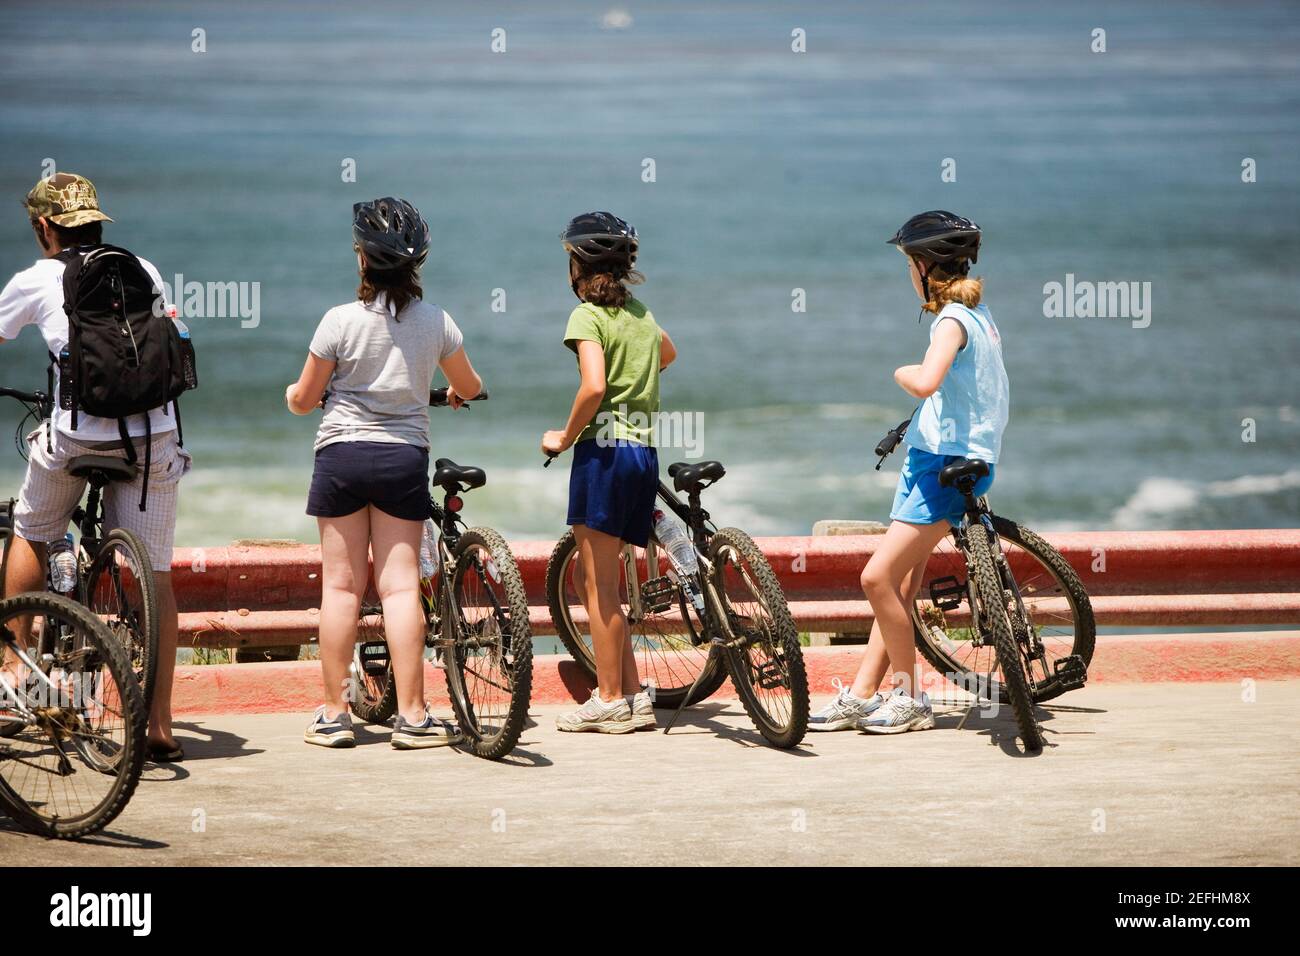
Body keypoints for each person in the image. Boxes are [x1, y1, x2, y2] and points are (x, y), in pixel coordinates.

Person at [0, 173, 191, 761]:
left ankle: (11, 673)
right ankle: (158, 727)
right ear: (96, 222)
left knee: (33, 525)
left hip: (78, 436)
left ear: (43, 227)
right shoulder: (145, 269)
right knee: (155, 570)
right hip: (153, 436)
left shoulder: (36, 279)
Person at [287, 197, 482, 750]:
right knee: (399, 590)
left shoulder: (338, 321)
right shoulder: (437, 322)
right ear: (415, 265)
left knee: (342, 588)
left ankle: (333, 716)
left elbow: (304, 400)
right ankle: (415, 718)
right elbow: (468, 387)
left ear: (363, 261)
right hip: (403, 458)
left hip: (342, 456)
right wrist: (443, 392)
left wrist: (297, 397)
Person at [809, 210, 1009, 734]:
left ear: (924, 265)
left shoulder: (950, 321)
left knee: (874, 577)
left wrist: (903, 373)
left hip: (941, 467)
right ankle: (861, 694)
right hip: (956, 457)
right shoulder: (981, 314)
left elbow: (926, 381)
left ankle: (910, 696)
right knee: (898, 584)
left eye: (907, 263)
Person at [542, 212, 677, 734]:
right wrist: (638, 375)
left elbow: (593, 387)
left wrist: (565, 435)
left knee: (601, 586)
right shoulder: (642, 315)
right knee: (590, 578)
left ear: (578, 265)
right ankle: (635, 694)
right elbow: (669, 352)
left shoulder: (586, 317)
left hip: (604, 451)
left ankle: (608, 700)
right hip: (643, 454)